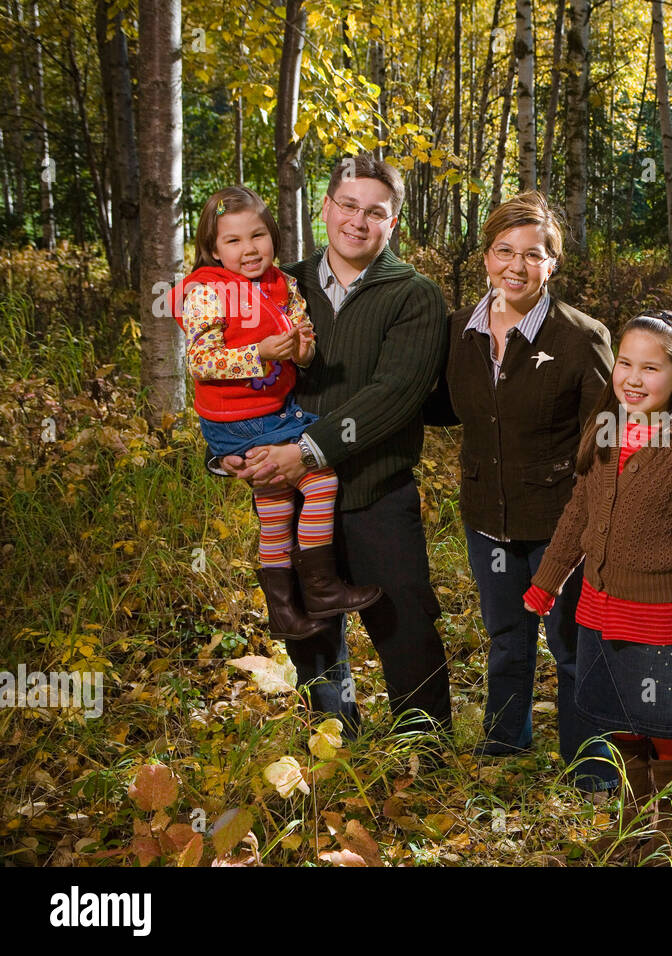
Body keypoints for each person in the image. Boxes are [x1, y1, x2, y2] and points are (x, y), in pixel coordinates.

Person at [214, 156, 452, 739]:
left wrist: (308, 451)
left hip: (376, 489)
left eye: (375, 212)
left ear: (392, 222)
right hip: (289, 490)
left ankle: (425, 755)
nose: (357, 221)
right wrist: (227, 453)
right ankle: (335, 740)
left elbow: (393, 395)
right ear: (325, 209)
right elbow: (222, 372)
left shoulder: (414, 296)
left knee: (405, 626)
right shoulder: (279, 284)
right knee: (312, 626)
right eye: (347, 206)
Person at [524, 309, 672, 860]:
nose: (634, 379)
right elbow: (579, 515)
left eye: (652, 368)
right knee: (620, 716)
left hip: (661, 618)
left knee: (666, 721)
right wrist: (549, 579)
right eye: (624, 363)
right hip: (600, 609)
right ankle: (636, 822)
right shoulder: (606, 430)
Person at [445, 190, 618, 792]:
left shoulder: (581, 338)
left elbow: (605, 444)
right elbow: (444, 409)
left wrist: (595, 523)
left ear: (554, 263)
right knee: (505, 635)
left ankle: (590, 765)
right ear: (486, 255)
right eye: (503, 251)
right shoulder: (459, 331)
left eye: (533, 254)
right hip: (485, 515)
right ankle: (504, 739)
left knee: (570, 642)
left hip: (559, 522)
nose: (516, 267)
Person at [177, 186, 382, 645]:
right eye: (233, 241)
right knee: (321, 478)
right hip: (241, 419)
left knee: (275, 507)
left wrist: (303, 351)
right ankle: (322, 587)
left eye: (258, 236)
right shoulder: (209, 291)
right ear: (212, 249)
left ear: (274, 236)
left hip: (273, 410)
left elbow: (300, 346)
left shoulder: (282, 285)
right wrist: (260, 353)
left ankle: (284, 610)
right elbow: (201, 361)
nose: (249, 249)